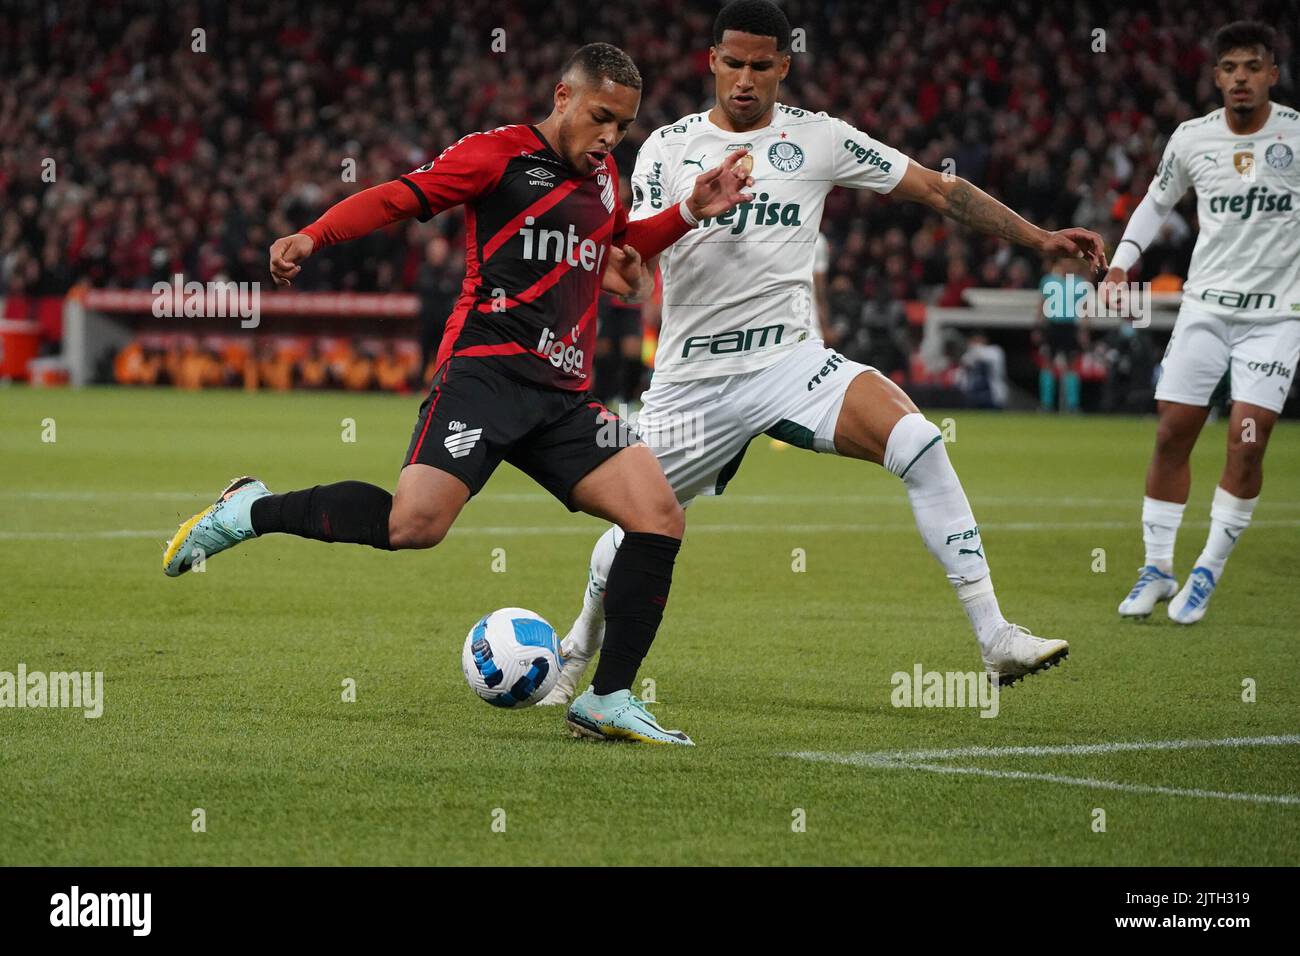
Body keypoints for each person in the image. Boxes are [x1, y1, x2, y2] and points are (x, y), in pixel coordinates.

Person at [162, 43, 755, 746]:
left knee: (658, 515)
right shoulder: (496, 155)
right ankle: (248, 510)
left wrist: (692, 209)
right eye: (601, 118)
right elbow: (399, 196)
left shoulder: (603, 180)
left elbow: (618, 241)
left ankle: (607, 697)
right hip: (486, 375)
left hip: (564, 396)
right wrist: (315, 235)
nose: (609, 138)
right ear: (564, 97)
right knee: (414, 526)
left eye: (622, 127)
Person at [541, 0, 1106, 710]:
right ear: (711, 60)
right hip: (693, 381)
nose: (745, 80)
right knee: (638, 521)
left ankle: (994, 637)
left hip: (790, 363)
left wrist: (1040, 240)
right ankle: (572, 656)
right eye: (733, 63)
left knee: (921, 443)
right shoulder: (666, 148)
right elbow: (635, 267)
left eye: (761, 65)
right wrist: (629, 271)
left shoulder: (820, 138)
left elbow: (939, 189)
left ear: (784, 65)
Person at [1108, 21, 1300, 624]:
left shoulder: (1296, 137)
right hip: (1205, 311)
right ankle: (1158, 567)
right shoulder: (1192, 139)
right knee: (1172, 433)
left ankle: (1206, 570)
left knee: (1247, 442)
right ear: (1216, 76)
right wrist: (1120, 266)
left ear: (1272, 72)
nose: (1240, 78)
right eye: (1229, 68)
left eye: (1252, 66)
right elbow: (1156, 202)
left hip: (1275, 318)